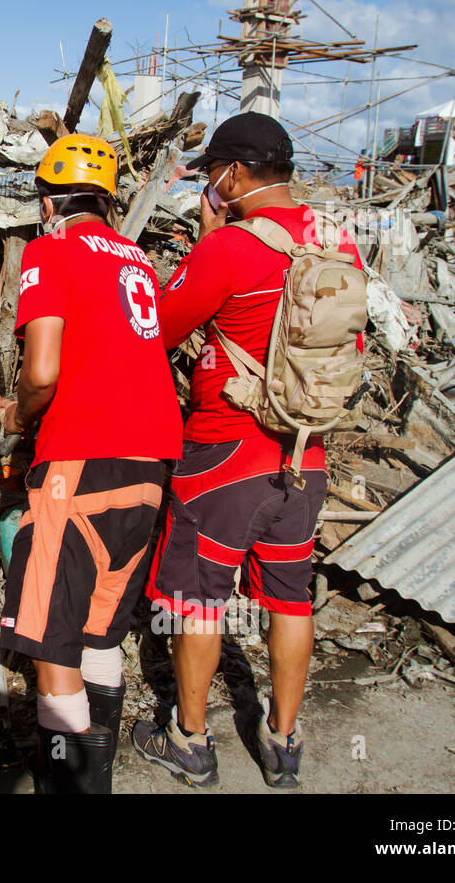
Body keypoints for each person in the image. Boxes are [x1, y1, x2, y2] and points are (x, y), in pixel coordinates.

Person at [133, 112, 362, 789]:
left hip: (226, 457)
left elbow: (160, 330)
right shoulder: (336, 239)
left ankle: (191, 741)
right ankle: (283, 743)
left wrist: (209, 241)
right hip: (306, 454)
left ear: (231, 174)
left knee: (201, 601)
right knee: (292, 598)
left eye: (212, 173)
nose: (211, 184)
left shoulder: (229, 247)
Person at [0, 133, 182, 793]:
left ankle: (73, 788)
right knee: (101, 635)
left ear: (50, 204)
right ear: (105, 201)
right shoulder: (137, 261)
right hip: (149, 468)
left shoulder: (51, 250)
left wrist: (15, 416)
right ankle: (98, 780)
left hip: (80, 467)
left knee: (50, 646)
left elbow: (42, 371)